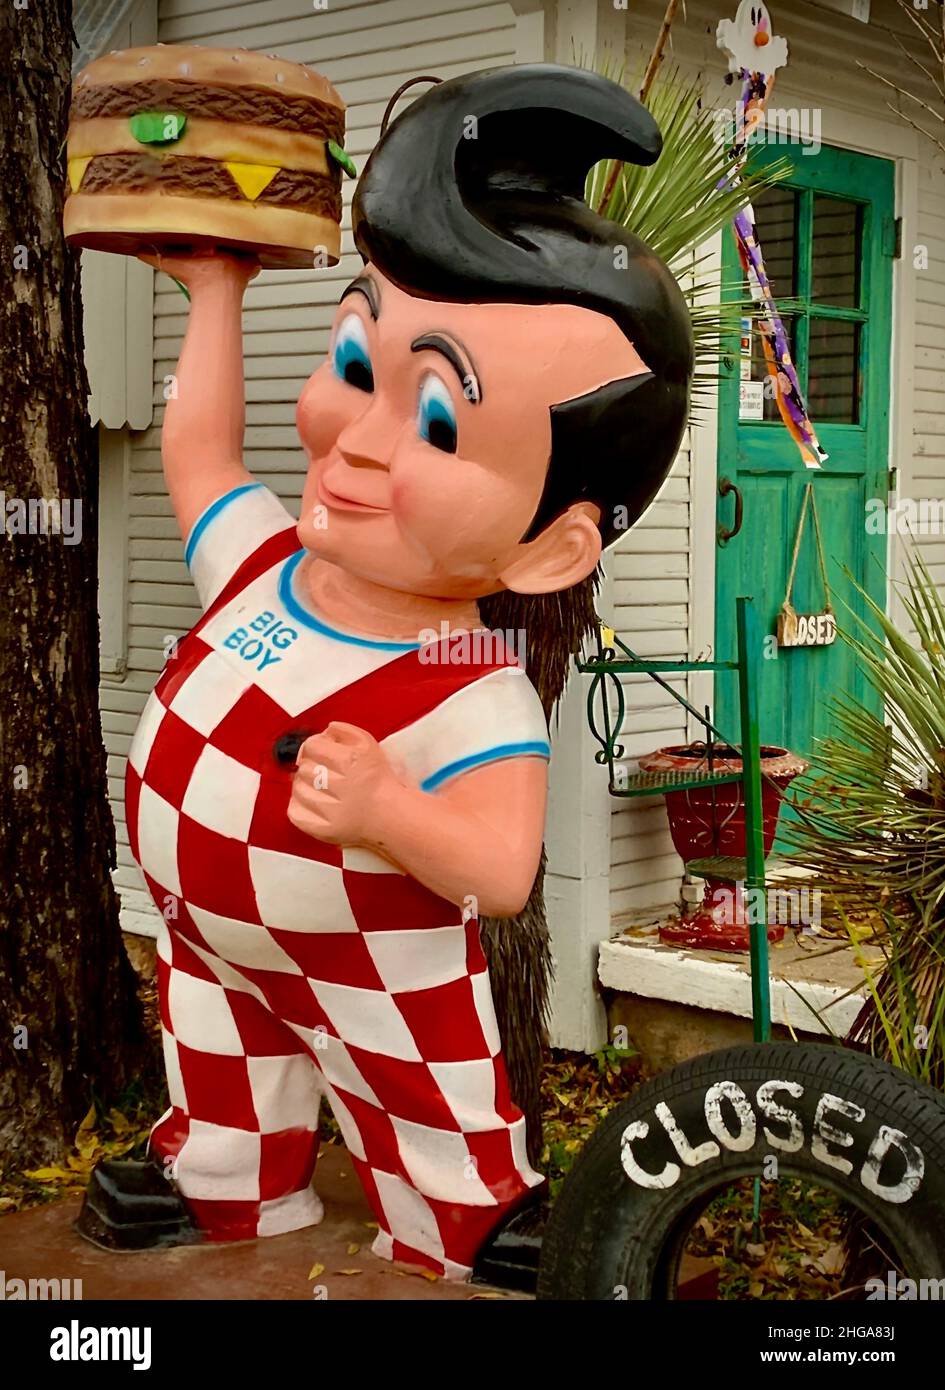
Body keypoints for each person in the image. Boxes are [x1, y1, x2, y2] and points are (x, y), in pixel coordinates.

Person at [84, 63, 693, 1282]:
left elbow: (502, 873)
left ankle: (464, 1213)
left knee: (426, 1093)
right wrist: (216, 288)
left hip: (374, 962)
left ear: (556, 541)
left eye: (435, 421)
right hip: (207, 939)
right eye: (359, 364)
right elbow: (198, 451)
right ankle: (221, 1174)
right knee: (218, 1070)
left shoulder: (470, 680)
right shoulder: (261, 563)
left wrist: (387, 811)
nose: (351, 435)